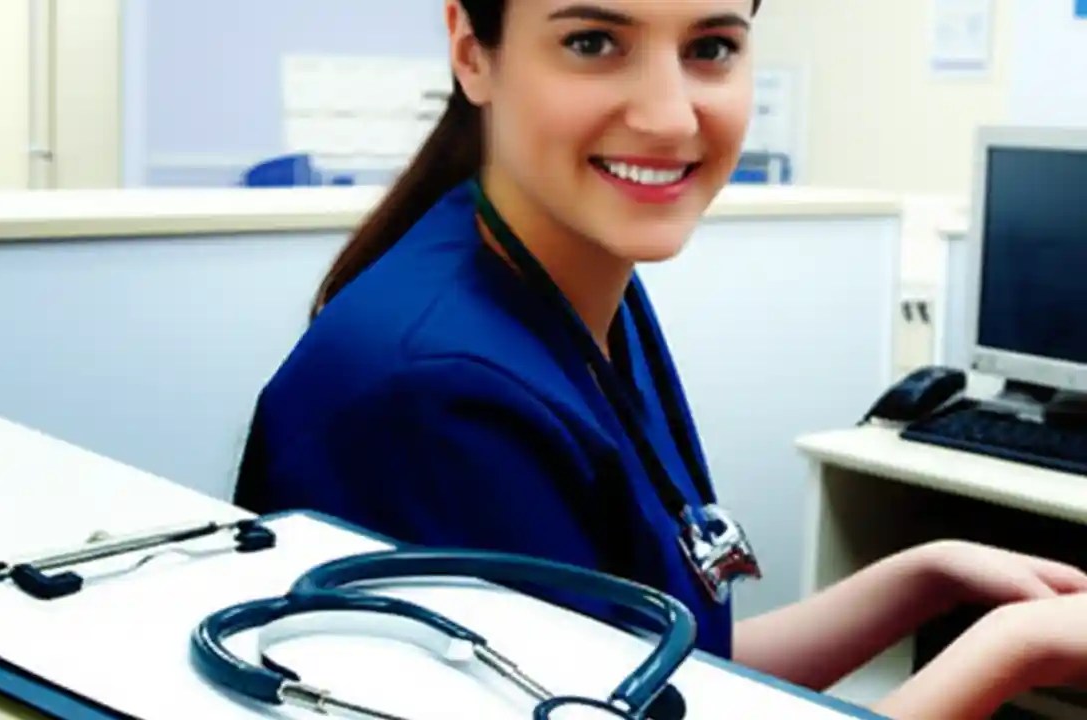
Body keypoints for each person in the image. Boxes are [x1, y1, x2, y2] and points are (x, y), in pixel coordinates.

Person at [234, 1, 1087, 717]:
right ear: (472, 52)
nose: (671, 116)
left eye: (710, 47)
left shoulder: (579, 287)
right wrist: (1016, 652)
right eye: (593, 42)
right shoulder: (434, 394)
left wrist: (926, 577)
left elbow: (658, 674)